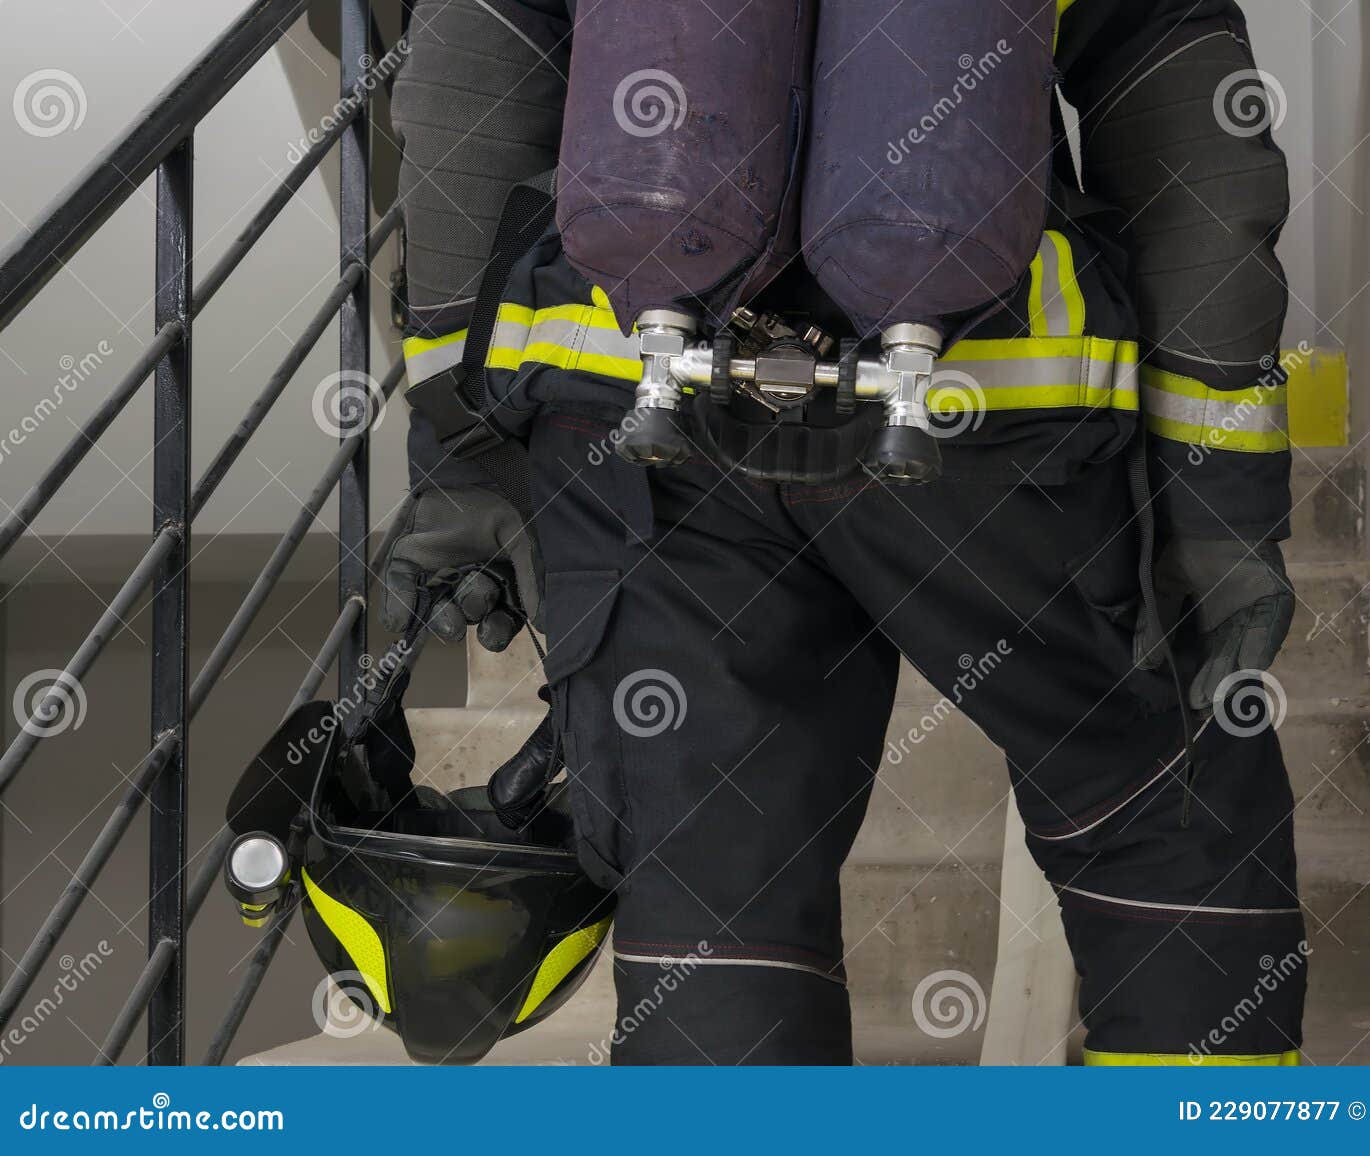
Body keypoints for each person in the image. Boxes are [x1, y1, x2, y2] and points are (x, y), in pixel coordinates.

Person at [378, 0, 1304, 1066]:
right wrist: (1217, 498)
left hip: (645, 416)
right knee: (1163, 807)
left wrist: (461, 451)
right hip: (977, 409)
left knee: (710, 906)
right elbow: (1188, 121)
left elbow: (468, 82)